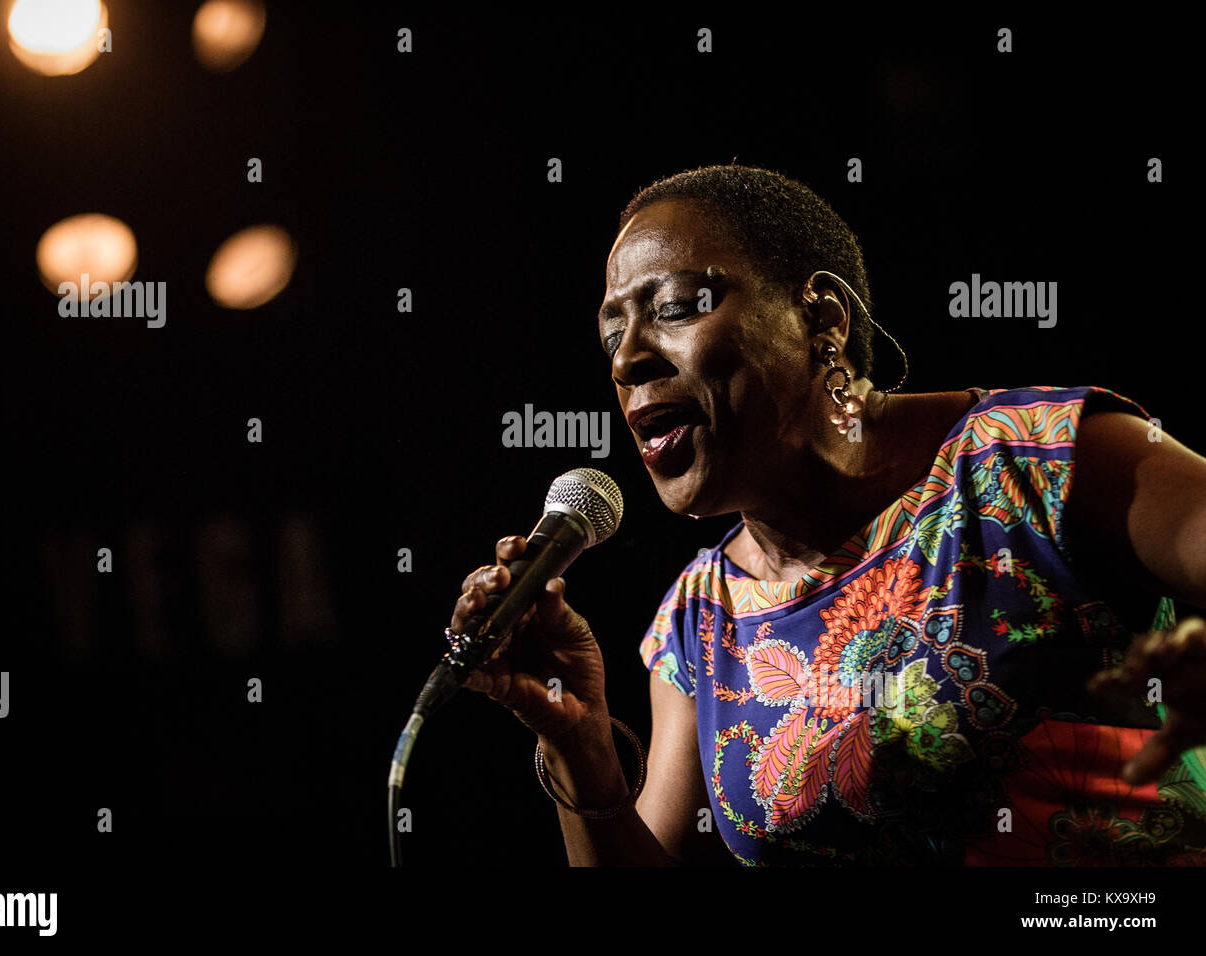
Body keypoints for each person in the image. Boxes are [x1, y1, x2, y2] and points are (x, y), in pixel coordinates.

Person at [449, 164, 1206, 865]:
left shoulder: (1040, 463)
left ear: (823, 318)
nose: (625, 361)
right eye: (613, 335)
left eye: (676, 308)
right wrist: (578, 741)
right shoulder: (700, 620)